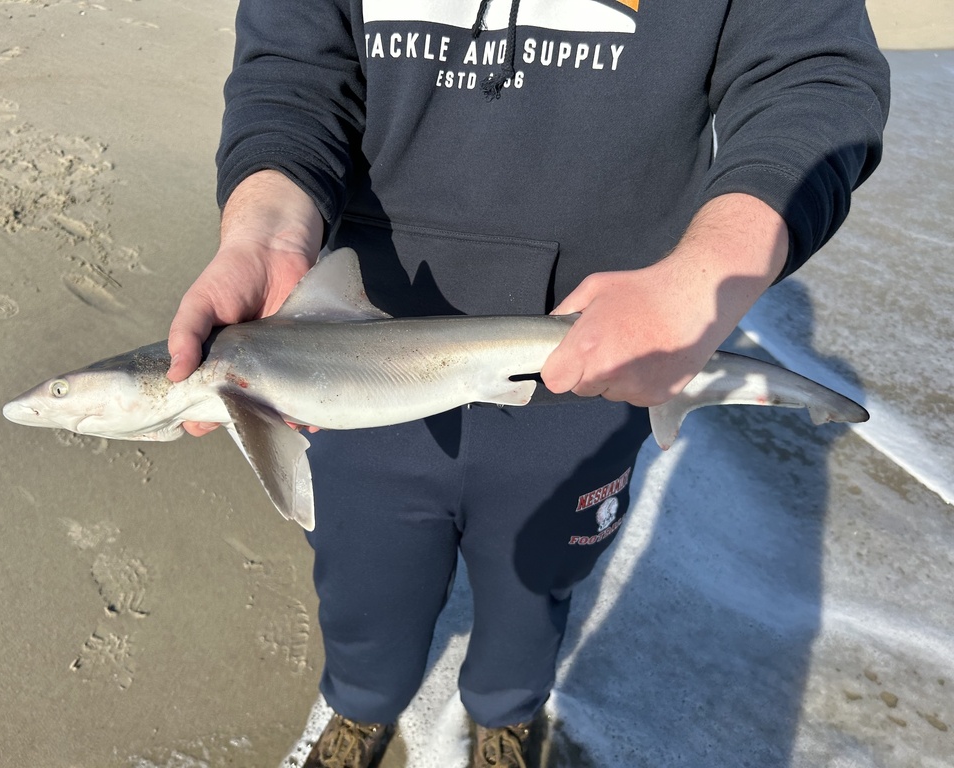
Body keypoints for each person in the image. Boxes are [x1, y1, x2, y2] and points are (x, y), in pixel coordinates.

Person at [166, 1, 890, 766]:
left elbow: (815, 72)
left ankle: (506, 715)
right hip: (347, 364)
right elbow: (297, 66)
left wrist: (704, 277)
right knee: (363, 582)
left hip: (597, 362)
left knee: (535, 588)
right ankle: (362, 706)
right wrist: (267, 230)